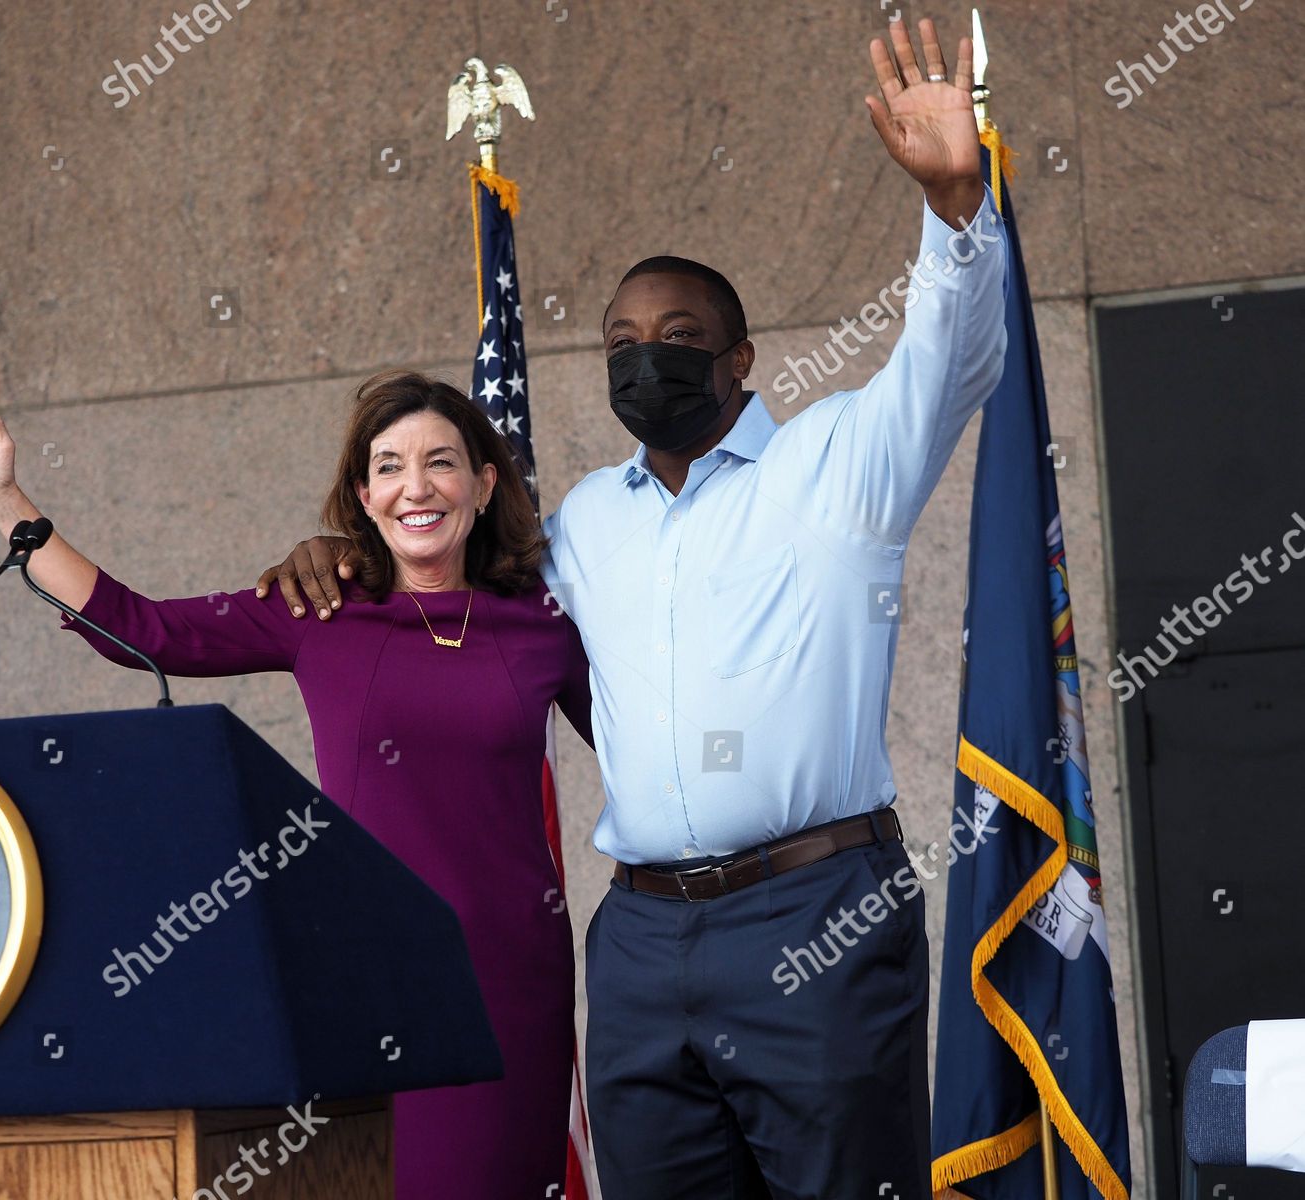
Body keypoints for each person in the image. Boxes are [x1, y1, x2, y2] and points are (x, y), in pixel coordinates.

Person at [255, 15, 1008, 1198]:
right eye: (621, 342)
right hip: (643, 945)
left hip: (813, 917)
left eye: (678, 337)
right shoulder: (581, 527)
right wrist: (343, 555)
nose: (645, 358)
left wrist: (956, 207)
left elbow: (949, 359)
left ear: (742, 358)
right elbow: (452, 582)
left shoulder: (838, 465)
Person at [0, 370, 594, 1200]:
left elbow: (639, 745)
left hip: (516, 975)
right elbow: (140, 629)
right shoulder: (320, 609)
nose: (416, 487)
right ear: (364, 496)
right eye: (389, 466)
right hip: (371, 975)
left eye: (440, 462)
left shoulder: (545, 624)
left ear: (483, 486)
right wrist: (4, 500)